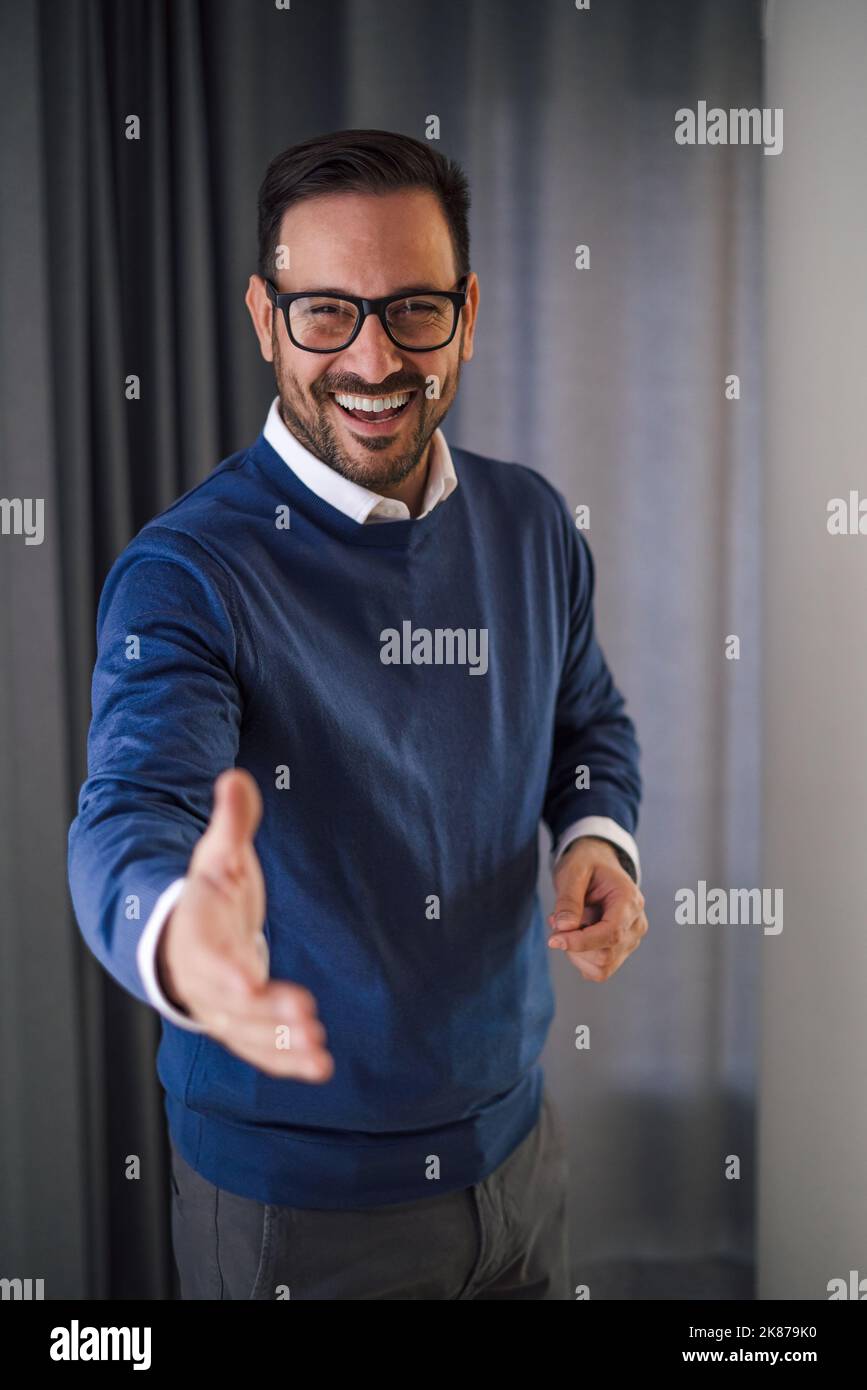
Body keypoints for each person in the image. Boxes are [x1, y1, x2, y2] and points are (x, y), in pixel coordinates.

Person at [68, 128, 647, 1301]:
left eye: (413, 309)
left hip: (520, 1158)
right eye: (326, 311)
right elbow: (131, 807)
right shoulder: (185, 575)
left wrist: (598, 838)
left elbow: (589, 724)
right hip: (298, 1213)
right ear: (264, 317)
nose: (374, 356)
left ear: (469, 312)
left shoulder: (534, 525)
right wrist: (181, 935)